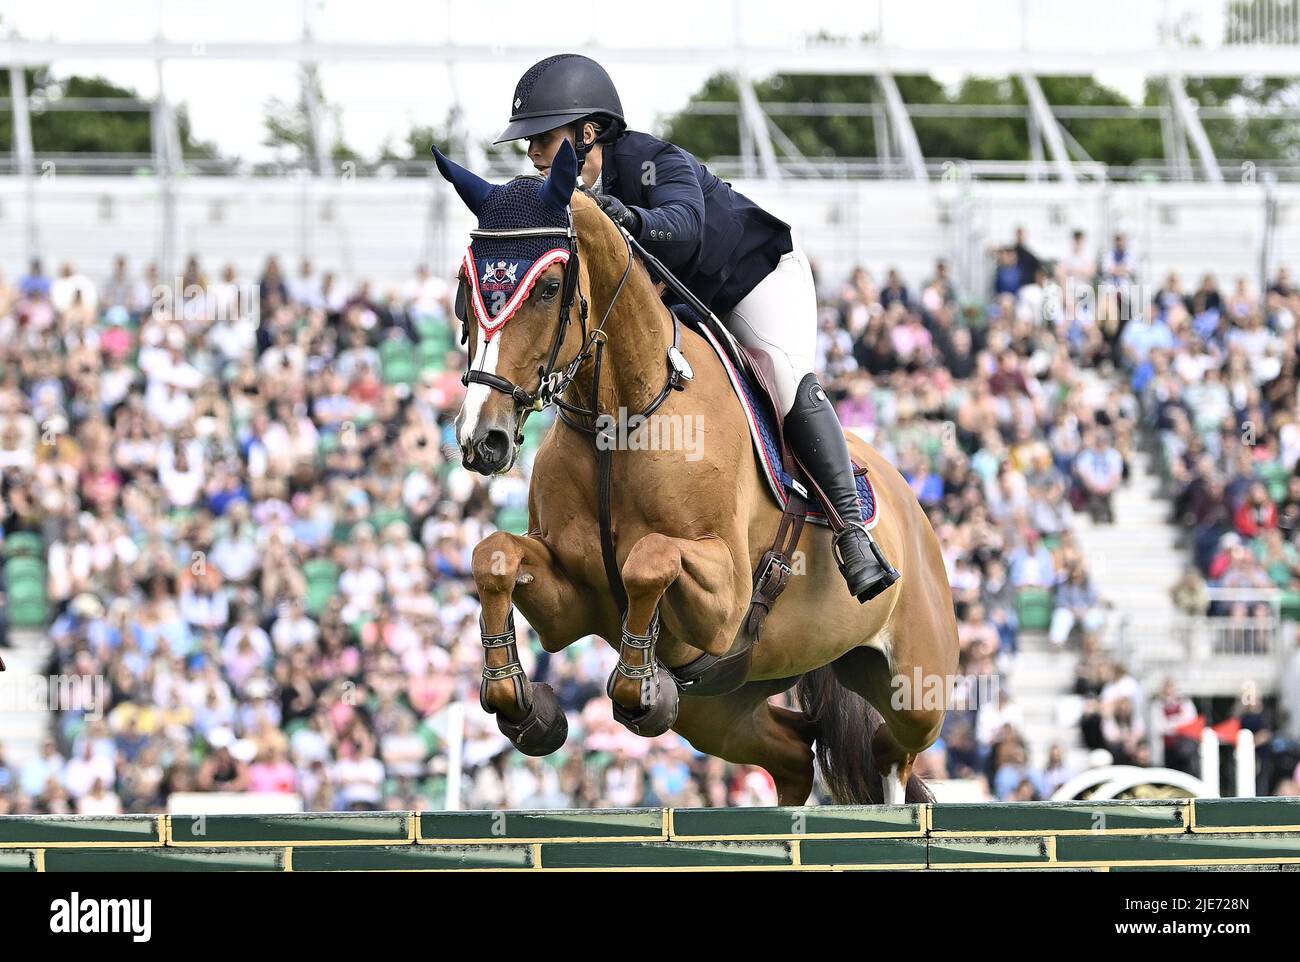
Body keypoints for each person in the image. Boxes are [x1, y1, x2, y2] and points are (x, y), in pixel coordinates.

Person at [486, 54, 898, 602]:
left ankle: (851, 533)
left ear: (589, 131)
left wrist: (626, 217)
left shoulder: (656, 159)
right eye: (528, 139)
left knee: (788, 381)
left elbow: (681, 227)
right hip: (677, 301)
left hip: (752, 281)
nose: (533, 151)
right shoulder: (561, 204)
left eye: (544, 135)